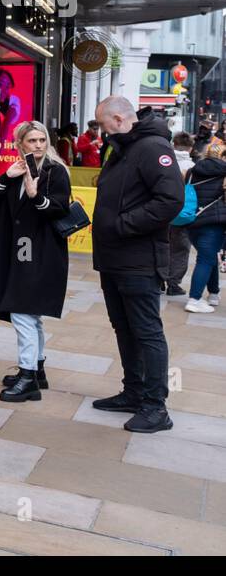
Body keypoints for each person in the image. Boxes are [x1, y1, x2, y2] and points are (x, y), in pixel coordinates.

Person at [91, 96, 183, 433]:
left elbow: (171, 199)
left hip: (138, 260)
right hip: (114, 259)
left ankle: (155, 407)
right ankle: (133, 392)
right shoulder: (124, 147)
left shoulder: (152, 147)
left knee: (147, 332)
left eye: (102, 124)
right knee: (124, 327)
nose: (101, 131)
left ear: (117, 118)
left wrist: (122, 225)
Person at [0, 121, 72, 402]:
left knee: (22, 312)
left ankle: (28, 375)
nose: (39, 145)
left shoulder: (56, 172)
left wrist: (36, 196)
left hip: (42, 253)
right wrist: (7, 176)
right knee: (30, 313)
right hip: (17, 252)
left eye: (42, 140)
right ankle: (37, 370)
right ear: (21, 144)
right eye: (32, 141)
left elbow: (58, 208)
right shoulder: (16, 171)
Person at [182, 139, 226, 313]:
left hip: (192, 220)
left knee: (208, 256)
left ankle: (214, 294)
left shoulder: (192, 171)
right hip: (214, 223)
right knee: (205, 259)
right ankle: (194, 299)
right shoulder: (224, 173)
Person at [165, 131, 195, 296]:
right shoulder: (192, 168)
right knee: (181, 250)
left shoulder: (165, 162)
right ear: (190, 148)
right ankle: (173, 283)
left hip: (162, 212)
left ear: (173, 145)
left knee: (162, 246)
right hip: (184, 215)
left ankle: (159, 280)